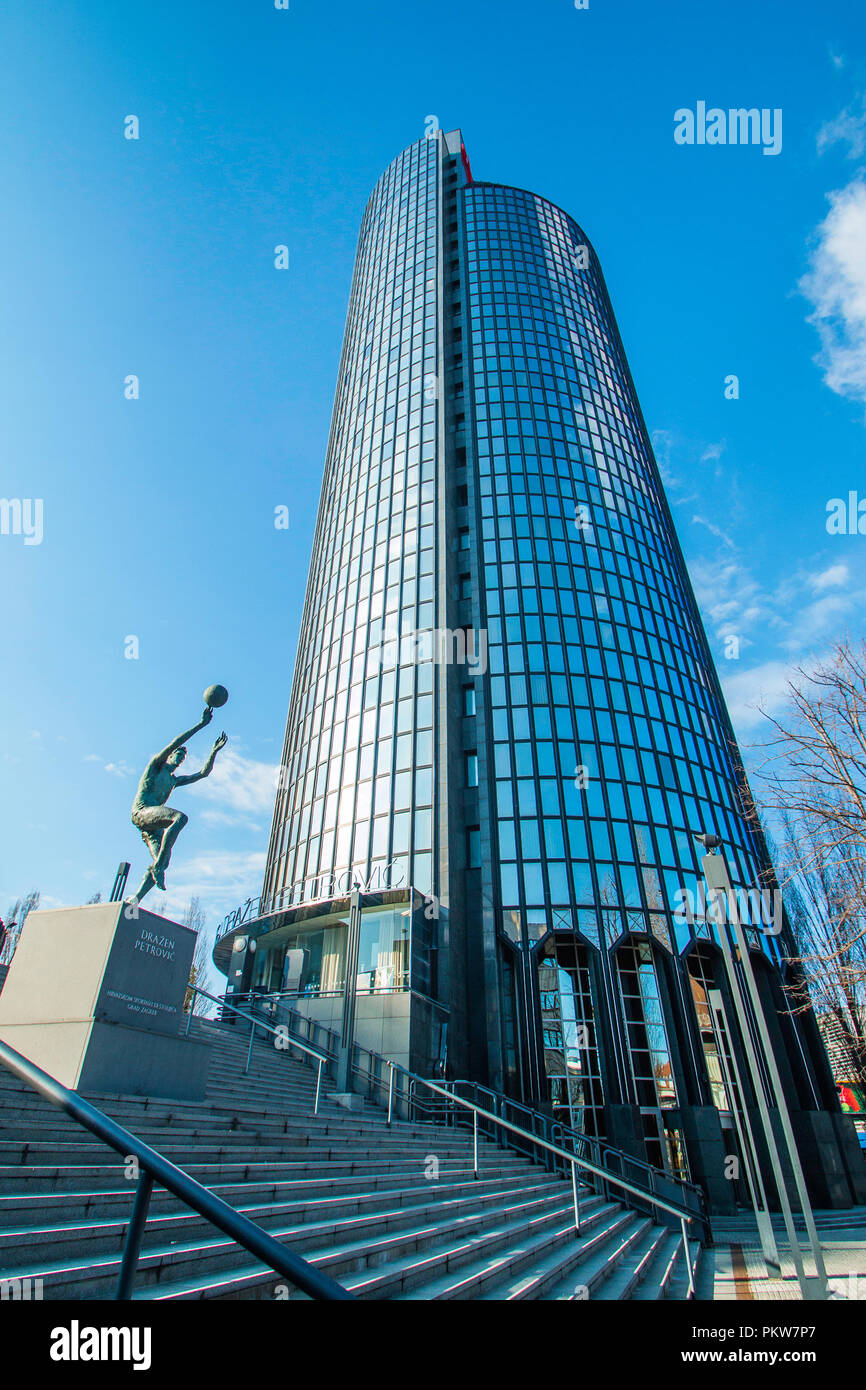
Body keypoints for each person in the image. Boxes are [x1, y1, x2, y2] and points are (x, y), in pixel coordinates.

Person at [130, 706, 227, 903]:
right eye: (179, 756)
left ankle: (136, 899)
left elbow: (202, 774)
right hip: (142, 812)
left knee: (161, 862)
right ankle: (157, 869)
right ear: (171, 755)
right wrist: (202, 724)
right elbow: (177, 742)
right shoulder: (156, 766)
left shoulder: (174, 780)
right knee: (180, 818)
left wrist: (214, 751)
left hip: (153, 826)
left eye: (183, 759)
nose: (181, 760)